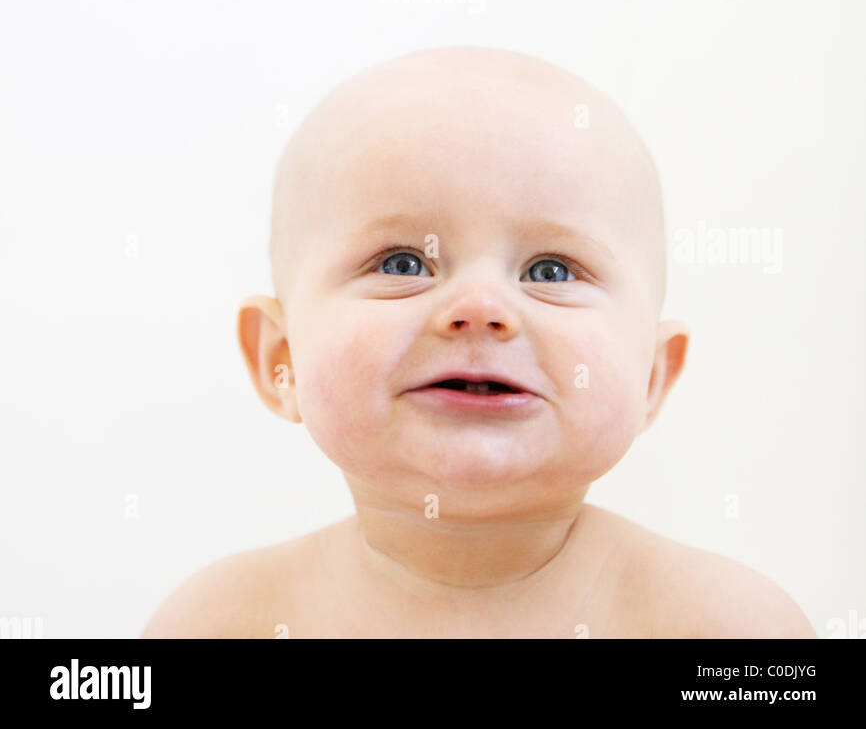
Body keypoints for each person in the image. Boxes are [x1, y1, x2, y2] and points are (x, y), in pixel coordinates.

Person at [141, 45, 816, 639]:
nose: (481, 309)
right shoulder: (225, 624)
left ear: (651, 380)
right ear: (279, 361)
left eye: (550, 271)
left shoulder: (721, 630)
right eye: (403, 263)